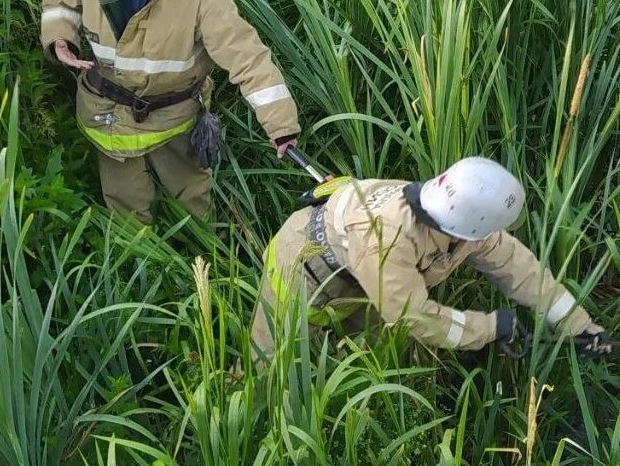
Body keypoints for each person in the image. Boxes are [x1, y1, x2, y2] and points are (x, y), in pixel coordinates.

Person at [41, 0, 299, 221]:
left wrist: (281, 126)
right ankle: (139, 260)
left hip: (173, 116)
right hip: (107, 115)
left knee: (191, 196)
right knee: (125, 206)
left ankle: (207, 256)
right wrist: (60, 39)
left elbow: (248, 59)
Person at [251, 156, 611, 364]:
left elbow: (521, 270)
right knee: (270, 366)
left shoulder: (463, 221)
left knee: (370, 360)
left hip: (365, 277)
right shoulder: (387, 236)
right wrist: (489, 327)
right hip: (303, 267)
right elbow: (411, 315)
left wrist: (580, 326)